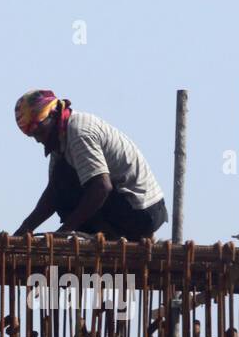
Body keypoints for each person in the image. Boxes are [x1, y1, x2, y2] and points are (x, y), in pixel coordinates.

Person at [12, 90, 167, 241]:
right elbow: (53, 194)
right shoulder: (60, 139)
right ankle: (105, 234)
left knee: (65, 182)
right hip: (128, 206)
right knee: (60, 183)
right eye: (31, 135)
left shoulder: (78, 132)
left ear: (53, 115)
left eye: (38, 131)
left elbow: (101, 187)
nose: (38, 139)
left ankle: (114, 235)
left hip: (143, 211)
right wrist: (25, 229)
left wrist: (63, 232)